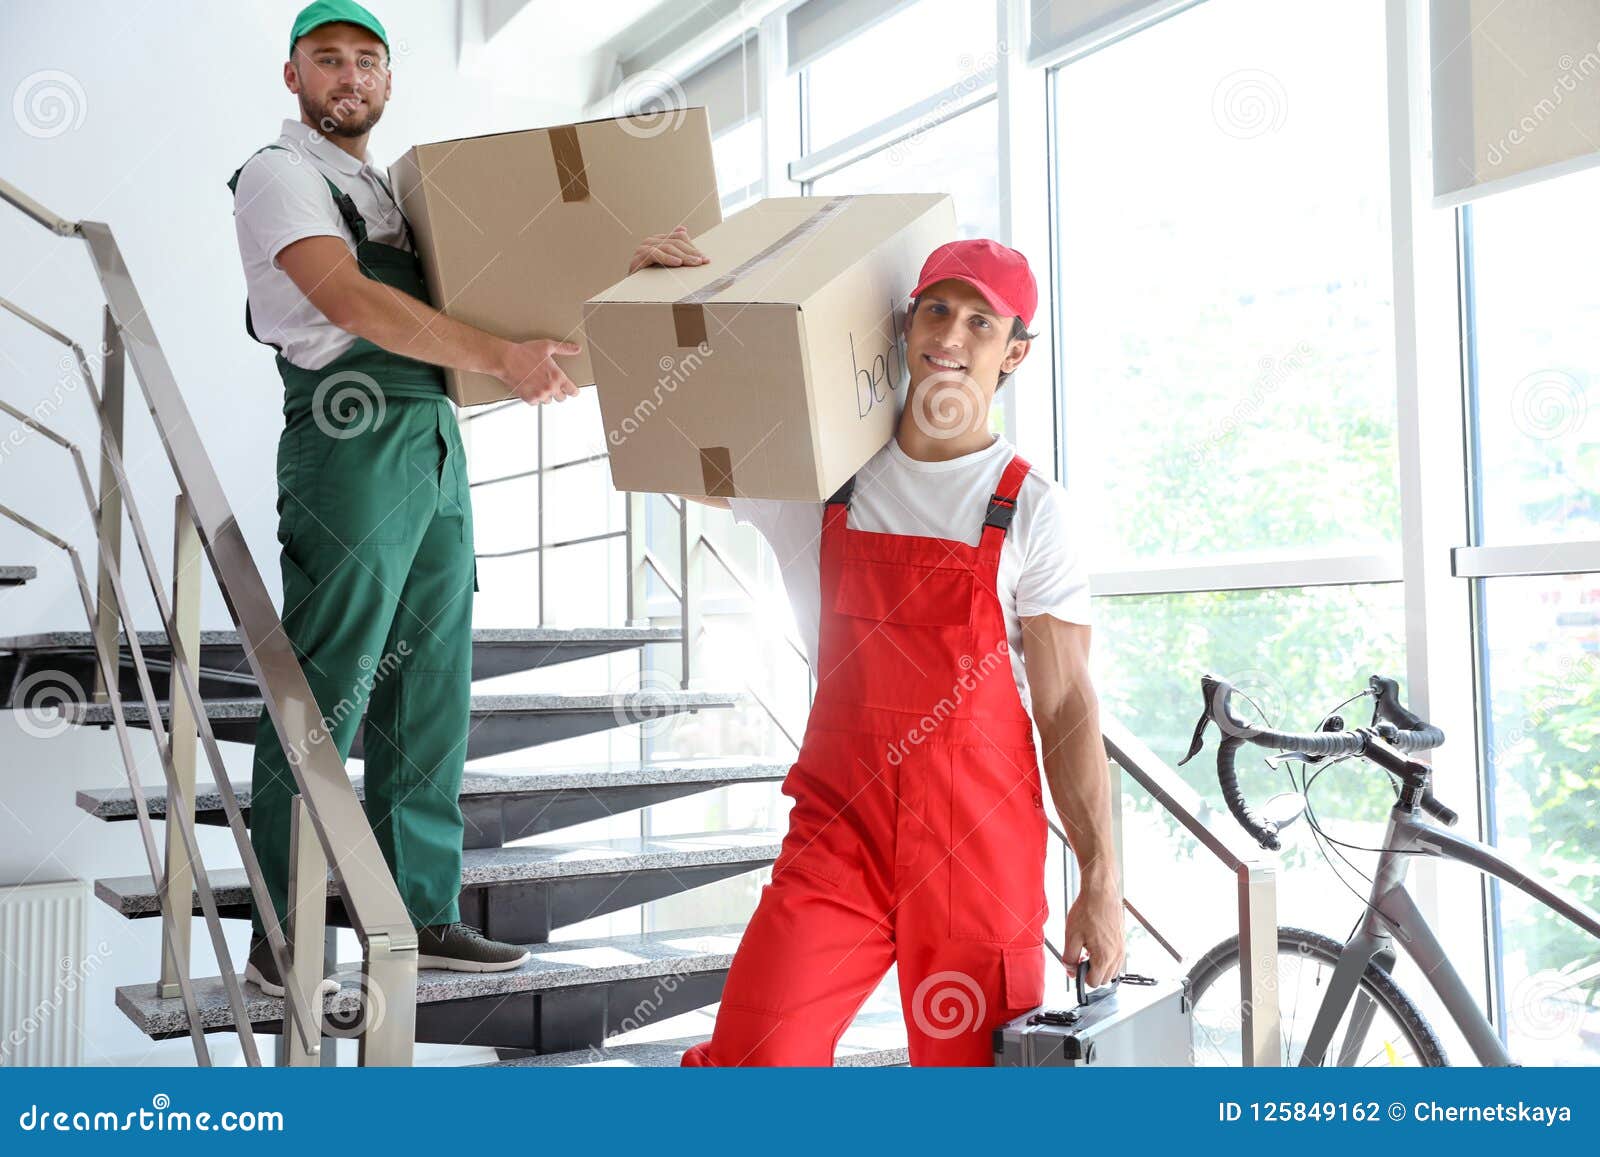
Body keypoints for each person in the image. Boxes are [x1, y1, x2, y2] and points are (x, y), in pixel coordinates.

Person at [626, 228, 1126, 1065]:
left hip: (977, 850)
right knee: (757, 1057)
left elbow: (1067, 702)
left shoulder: (1031, 510)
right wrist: (643, 305)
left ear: (1015, 354)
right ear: (905, 324)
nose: (951, 338)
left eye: (980, 323)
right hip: (839, 834)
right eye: (937, 310)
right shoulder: (823, 479)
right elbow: (658, 446)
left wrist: (1101, 878)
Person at [228, 0, 578, 995]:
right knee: (330, 678)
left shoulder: (396, 190)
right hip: (349, 434)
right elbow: (349, 299)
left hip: (431, 433)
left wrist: (633, 263)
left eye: (368, 61)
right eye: (328, 59)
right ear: (294, 77)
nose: (350, 76)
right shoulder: (278, 173)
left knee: (432, 680)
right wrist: (498, 357)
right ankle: (280, 935)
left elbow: (515, 282)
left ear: (388, 81)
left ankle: (421, 907)